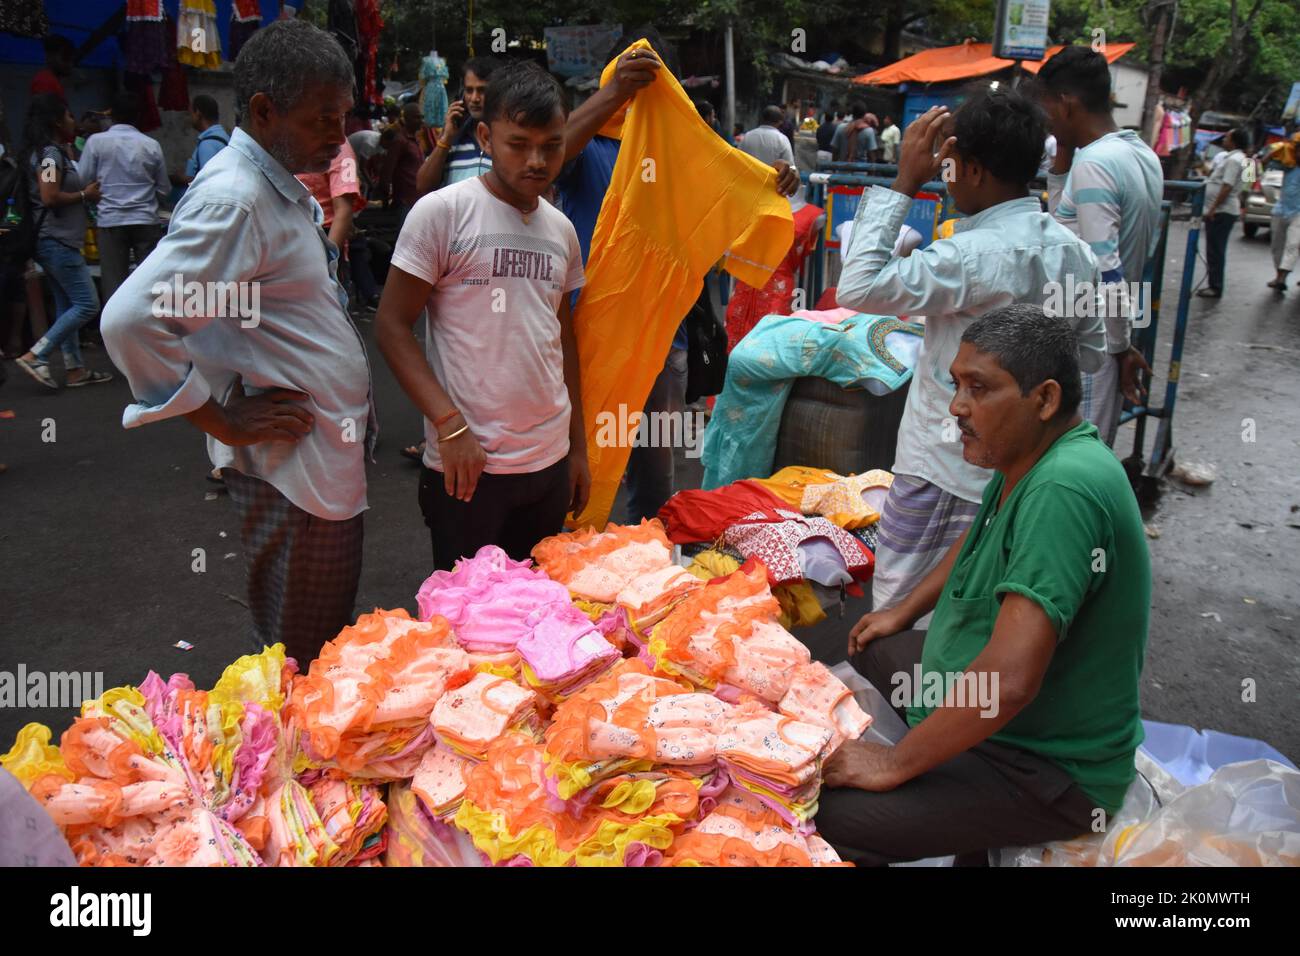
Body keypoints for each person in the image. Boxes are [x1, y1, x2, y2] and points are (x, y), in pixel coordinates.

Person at [816, 304, 1150, 866]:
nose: (957, 407)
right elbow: (975, 538)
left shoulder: (1062, 489)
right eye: (956, 385)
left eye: (979, 388)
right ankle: (947, 775)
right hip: (1008, 716)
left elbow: (1013, 681)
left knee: (827, 815)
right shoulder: (1031, 457)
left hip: (1046, 769)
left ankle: (946, 784)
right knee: (874, 645)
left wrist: (893, 764)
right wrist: (901, 610)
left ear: (1043, 399)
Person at [101, 19, 375, 667]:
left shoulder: (272, 184)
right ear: (262, 110)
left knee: (306, 650)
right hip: (295, 478)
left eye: (343, 117)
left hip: (314, 469)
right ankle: (280, 765)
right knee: (297, 664)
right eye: (323, 119)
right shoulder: (237, 199)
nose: (339, 137)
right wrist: (218, 416)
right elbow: (132, 321)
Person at [836, 89, 1106, 616]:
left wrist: (905, 183)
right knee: (985, 611)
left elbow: (858, 286)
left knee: (902, 611)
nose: (944, 176)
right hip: (1026, 471)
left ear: (975, 170)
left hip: (942, 467)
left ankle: (907, 697)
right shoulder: (1075, 254)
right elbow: (1091, 354)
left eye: (949, 165)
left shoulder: (969, 255)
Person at [555, 29, 799, 522]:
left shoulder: (681, 156)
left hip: (664, 338)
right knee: (577, 470)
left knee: (653, 479)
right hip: (587, 335)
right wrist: (613, 94)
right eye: (637, 75)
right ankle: (567, 577)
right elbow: (551, 153)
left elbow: (726, 198)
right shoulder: (587, 142)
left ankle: (642, 579)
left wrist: (772, 187)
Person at [376, 61, 590, 571]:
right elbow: (389, 325)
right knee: (467, 627)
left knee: (536, 620)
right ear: (485, 137)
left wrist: (579, 450)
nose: (537, 160)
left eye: (552, 144)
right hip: (469, 468)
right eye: (519, 143)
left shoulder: (561, 230)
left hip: (548, 462)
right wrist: (449, 427)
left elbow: (562, 340)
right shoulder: (442, 213)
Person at [1037, 44, 1162, 447]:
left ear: (1066, 103)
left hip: (1088, 341)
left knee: (1070, 464)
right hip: (1105, 335)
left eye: (1048, 108)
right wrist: (1063, 163)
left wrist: (1121, 348)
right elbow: (1067, 228)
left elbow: (1106, 269)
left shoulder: (1095, 164)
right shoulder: (1140, 155)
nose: (1046, 120)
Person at [13, 94, 112, 390]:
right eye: (69, 116)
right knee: (87, 303)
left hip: (56, 241)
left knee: (66, 302)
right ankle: (37, 354)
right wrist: (86, 195)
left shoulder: (50, 152)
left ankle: (74, 369)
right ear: (57, 121)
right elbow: (49, 196)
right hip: (56, 241)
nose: (74, 122)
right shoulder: (49, 156)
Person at [76, 90, 171, 306]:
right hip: (145, 221)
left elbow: (83, 179)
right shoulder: (151, 145)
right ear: (137, 116)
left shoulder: (96, 143)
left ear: (111, 115)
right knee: (150, 285)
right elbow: (164, 189)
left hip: (111, 222)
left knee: (114, 286)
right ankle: (151, 331)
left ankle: (114, 335)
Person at [414, 56, 500, 194]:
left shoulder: (508, 139)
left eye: (482, 90)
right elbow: (423, 186)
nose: (474, 99)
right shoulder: (451, 140)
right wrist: (446, 140)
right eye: (469, 90)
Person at [1197, 127, 1248, 298]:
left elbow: (1228, 185)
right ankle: (1214, 284)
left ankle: (1215, 286)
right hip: (1223, 209)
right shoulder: (1237, 158)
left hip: (1222, 211)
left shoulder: (1234, 160)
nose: (1224, 140)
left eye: (1227, 137)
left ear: (1234, 141)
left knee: (1215, 249)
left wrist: (1213, 208)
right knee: (1215, 248)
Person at [1265, 128, 1300, 292]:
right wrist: (1272, 153)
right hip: (1281, 209)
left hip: (1298, 214)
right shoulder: (1288, 165)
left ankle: (1282, 278)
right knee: (1276, 246)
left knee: (1293, 245)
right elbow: (1254, 168)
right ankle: (1278, 274)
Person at [379, 101, 426, 220]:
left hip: (418, 200)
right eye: (417, 117)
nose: (420, 120)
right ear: (407, 119)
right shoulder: (400, 141)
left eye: (421, 117)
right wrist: (385, 199)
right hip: (405, 202)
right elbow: (387, 170)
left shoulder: (415, 141)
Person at [172, 94, 229, 189]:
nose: (190, 118)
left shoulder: (208, 144)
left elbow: (208, 182)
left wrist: (182, 179)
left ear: (198, 113)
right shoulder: (223, 136)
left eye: (190, 113)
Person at [31, 35, 74, 100]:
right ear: (50, 57)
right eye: (65, 58)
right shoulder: (45, 81)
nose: (70, 64)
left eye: (71, 59)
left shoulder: (52, 82)